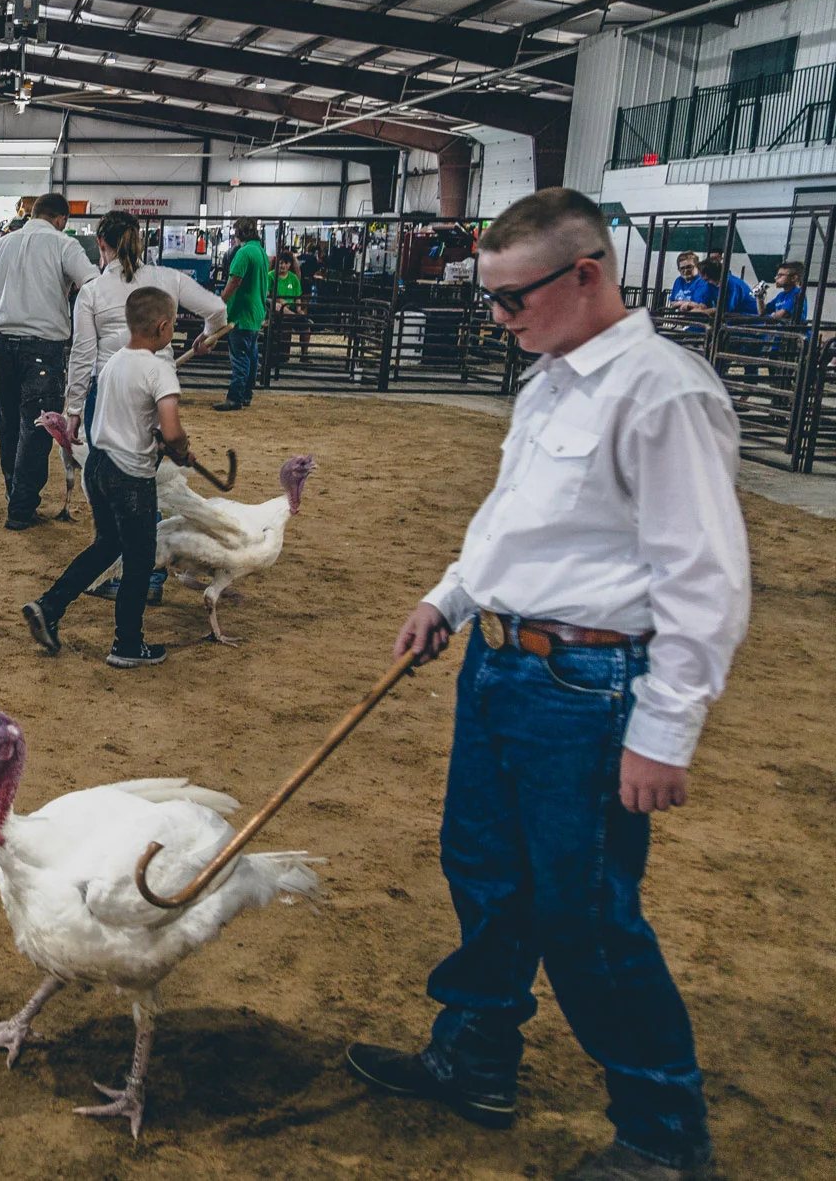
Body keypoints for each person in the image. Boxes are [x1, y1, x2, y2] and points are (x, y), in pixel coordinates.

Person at [349, 188, 747, 1181]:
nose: (497, 320)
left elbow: (703, 575)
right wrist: (446, 599)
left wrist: (665, 730)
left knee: (586, 913)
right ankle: (475, 1056)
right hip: (497, 661)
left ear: (585, 275)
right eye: (488, 301)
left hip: (586, 684)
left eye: (511, 300)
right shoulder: (551, 379)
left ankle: (662, 1135)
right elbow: (510, 520)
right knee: (482, 872)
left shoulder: (660, 392)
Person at [21, 285, 193, 670]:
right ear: (163, 327)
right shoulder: (160, 369)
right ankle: (127, 643)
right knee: (138, 560)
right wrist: (179, 447)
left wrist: (163, 445)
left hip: (99, 467)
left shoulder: (114, 361)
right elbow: (172, 428)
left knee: (106, 545)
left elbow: (128, 420)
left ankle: (49, 606)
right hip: (131, 478)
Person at [65, 211, 223, 602]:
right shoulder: (166, 278)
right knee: (142, 486)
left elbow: (83, 355)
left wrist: (71, 408)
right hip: (155, 392)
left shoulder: (92, 291)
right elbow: (217, 310)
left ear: (102, 246)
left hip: (108, 391)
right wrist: (208, 338)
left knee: (108, 489)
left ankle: (135, 576)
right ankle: (141, 574)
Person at [0, 191, 98, 529]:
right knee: (38, 426)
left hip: (2, 345)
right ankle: (22, 507)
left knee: (9, 423)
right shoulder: (63, 244)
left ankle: (15, 496)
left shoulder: (1, 246)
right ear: (62, 219)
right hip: (43, 347)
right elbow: (93, 284)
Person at [215, 217, 268, 411]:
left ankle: (235, 397)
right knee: (252, 355)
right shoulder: (261, 252)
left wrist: (220, 302)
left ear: (238, 233)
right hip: (256, 311)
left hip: (241, 312)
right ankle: (246, 394)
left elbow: (234, 281)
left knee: (240, 357)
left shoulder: (244, 253)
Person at [269, 246, 311, 362]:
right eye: (281, 263)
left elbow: (297, 297)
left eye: (286, 263)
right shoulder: (271, 276)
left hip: (291, 310)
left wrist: (299, 310)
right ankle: (282, 355)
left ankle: (304, 354)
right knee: (282, 316)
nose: (283, 266)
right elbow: (272, 295)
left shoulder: (294, 279)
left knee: (306, 327)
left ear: (290, 265)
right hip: (278, 311)